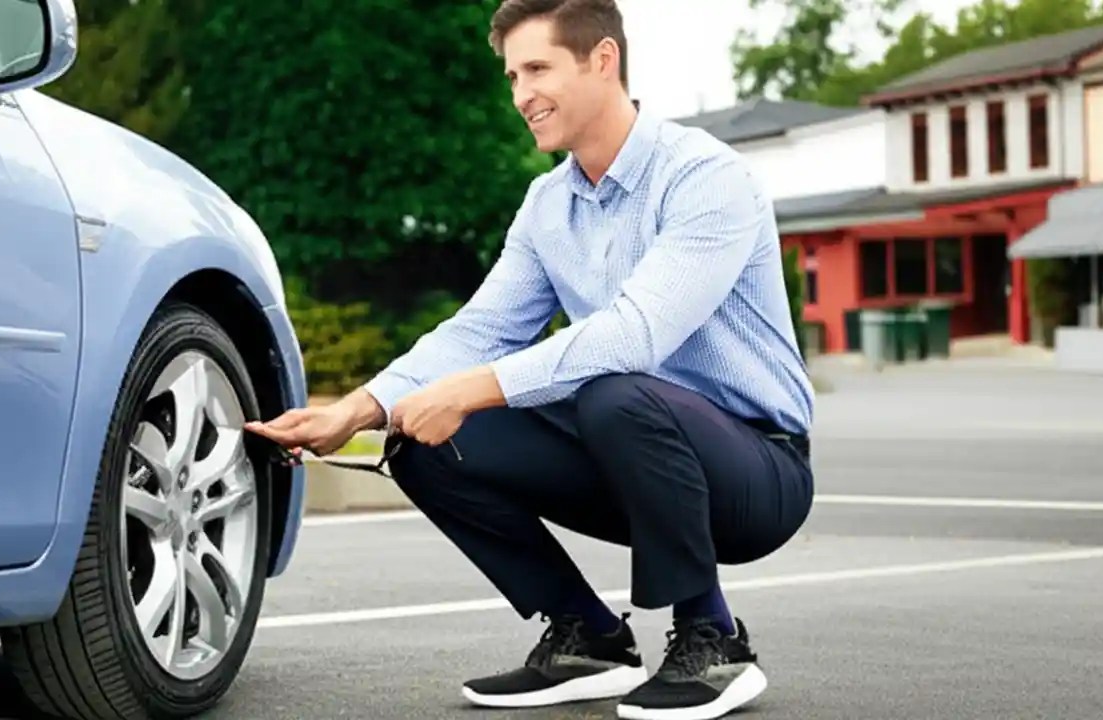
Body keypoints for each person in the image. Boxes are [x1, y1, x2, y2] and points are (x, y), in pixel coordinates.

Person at [245, 0, 815, 717]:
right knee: (426, 439)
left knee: (614, 389)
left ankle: (712, 639)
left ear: (602, 60)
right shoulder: (549, 204)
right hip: (635, 460)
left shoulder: (705, 178)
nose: (521, 95)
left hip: (756, 475)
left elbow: (634, 335)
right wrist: (359, 409)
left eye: (538, 68)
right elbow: (480, 330)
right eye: (512, 75)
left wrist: (474, 390)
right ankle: (587, 639)